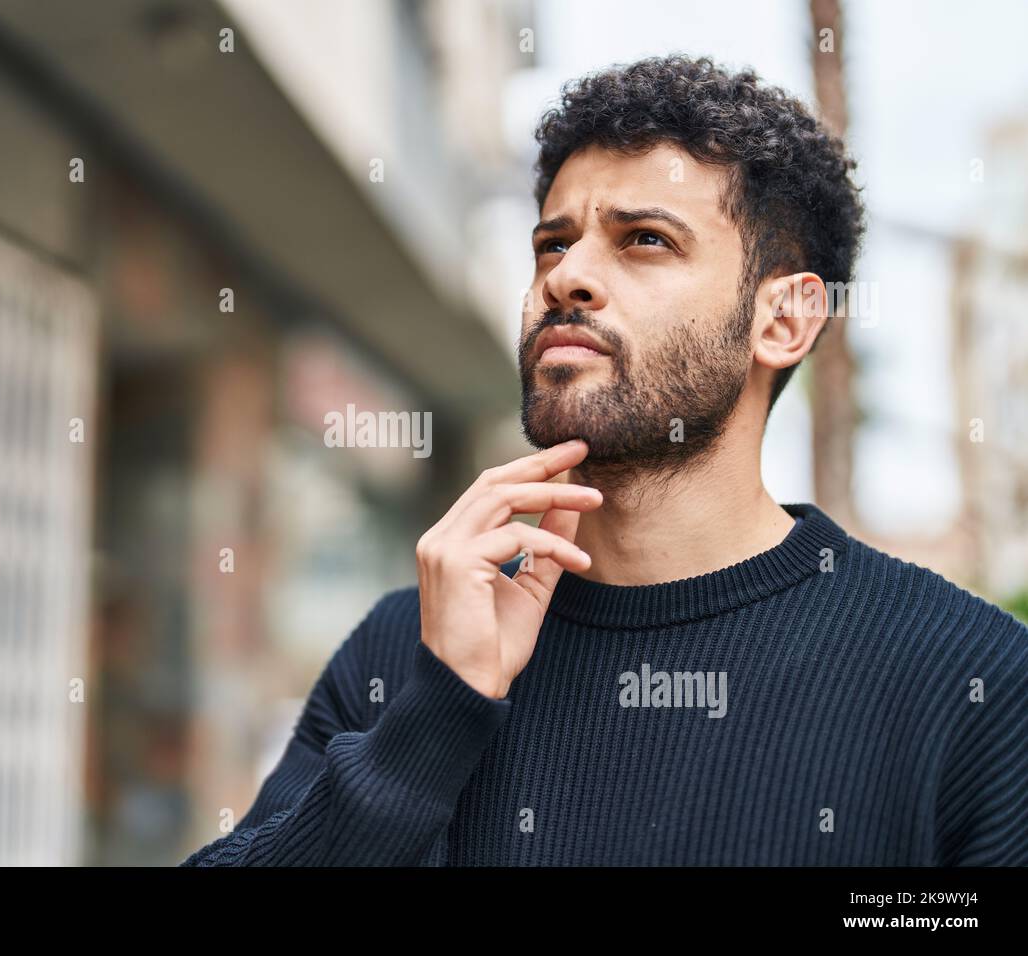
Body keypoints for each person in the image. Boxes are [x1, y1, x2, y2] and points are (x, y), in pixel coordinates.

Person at [180, 55, 1027, 866]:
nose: (568, 277)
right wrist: (436, 717)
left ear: (784, 320)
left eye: (646, 240)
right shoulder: (410, 648)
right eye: (553, 244)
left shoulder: (969, 682)